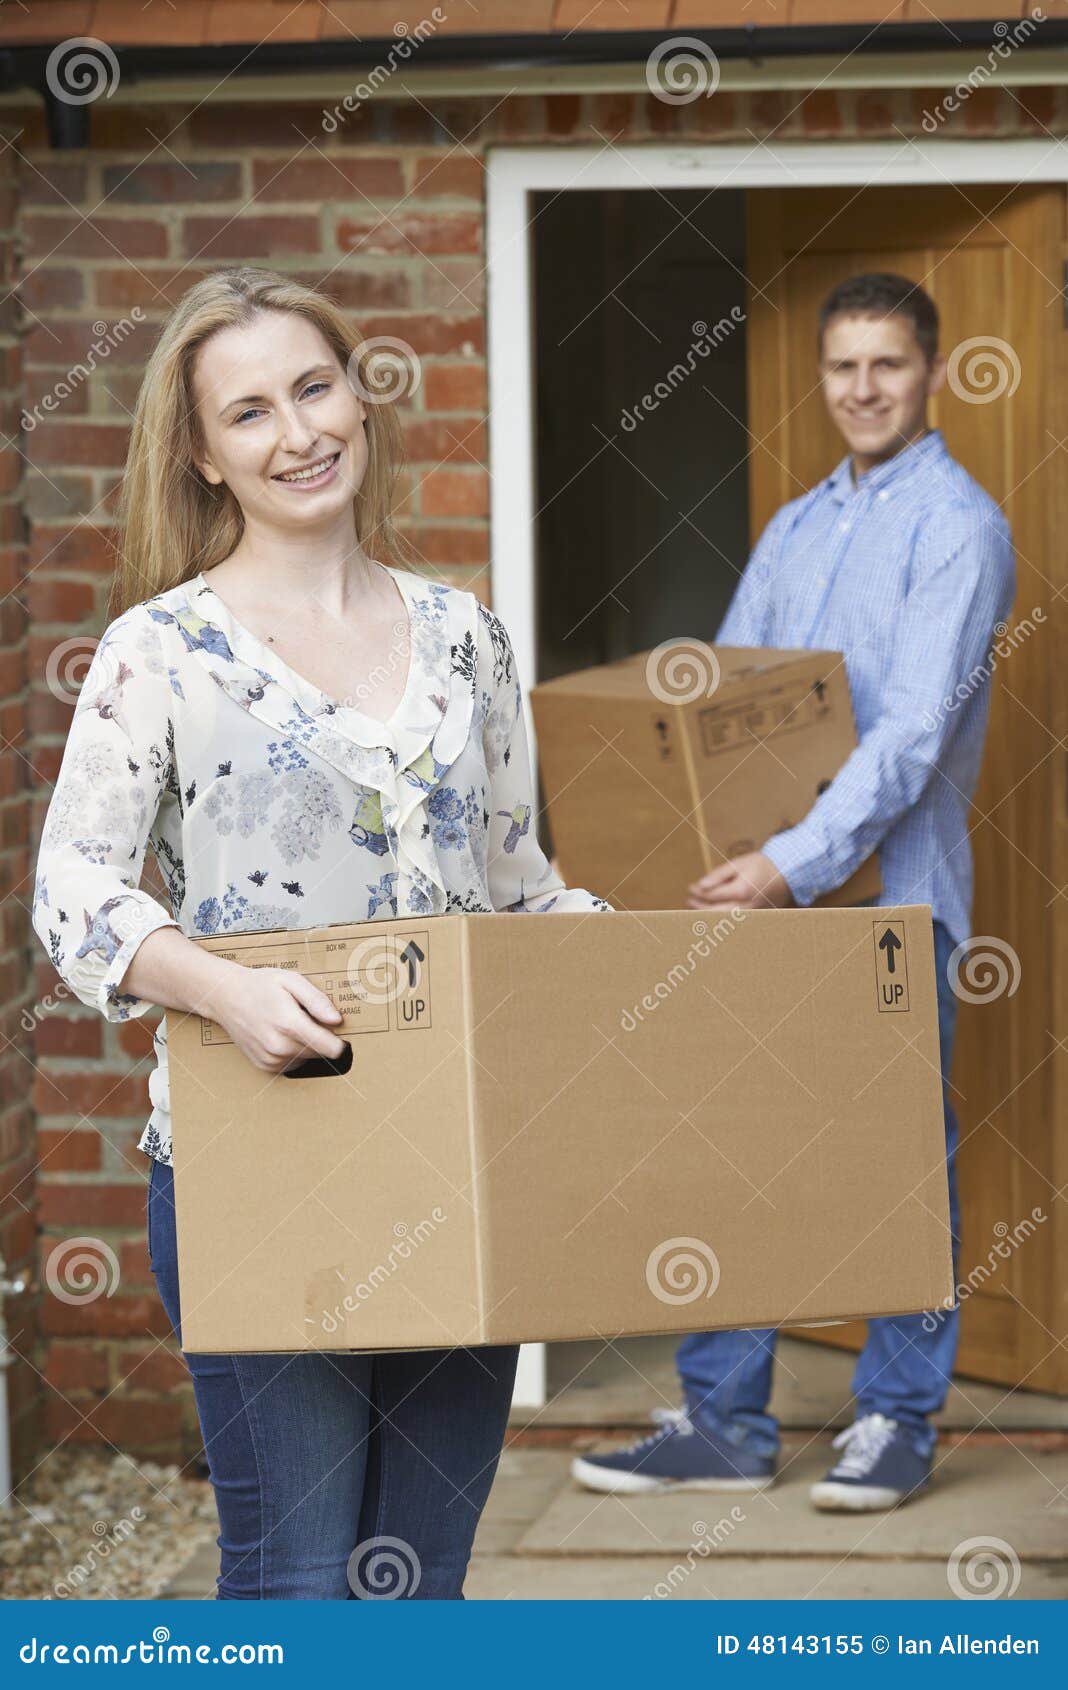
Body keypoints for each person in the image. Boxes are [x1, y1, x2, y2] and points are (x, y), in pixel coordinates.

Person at [32, 266, 611, 1599]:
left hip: (464, 1155)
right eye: (250, 412)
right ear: (203, 455)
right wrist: (223, 990)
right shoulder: (158, 652)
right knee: (298, 1574)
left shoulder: (466, 637)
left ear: (361, 395)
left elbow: (521, 883)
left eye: (313, 387)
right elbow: (76, 893)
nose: (298, 433)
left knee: (417, 1581)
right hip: (263, 1155)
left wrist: (638, 964)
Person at [571, 271, 1016, 1513]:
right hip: (757, 901)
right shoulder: (795, 528)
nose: (862, 388)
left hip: (887, 902)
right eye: (842, 367)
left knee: (893, 1162)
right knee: (736, 1144)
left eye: (887, 364)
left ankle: (897, 1417)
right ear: (821, 378)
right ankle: (724, 1421)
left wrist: (790, 862)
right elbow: (717, 700)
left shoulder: (961, 531)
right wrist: (691, 851)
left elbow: (909, 739)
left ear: (931, 371)